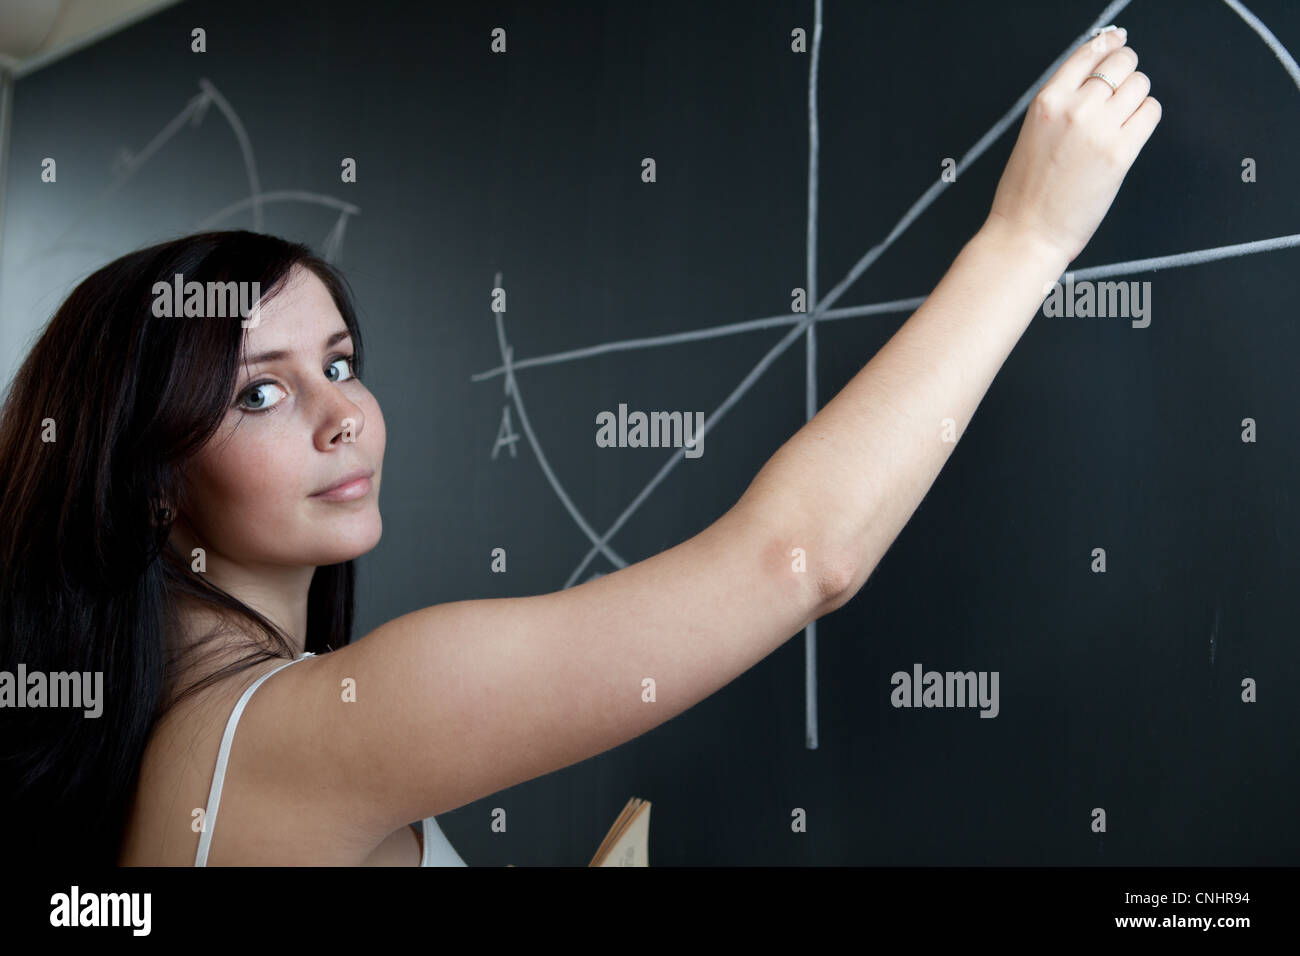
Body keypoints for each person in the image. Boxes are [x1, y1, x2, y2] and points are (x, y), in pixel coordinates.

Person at [0, 28, 1157, 865]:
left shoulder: (174, 738)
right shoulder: (313, 726)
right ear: (149, 482)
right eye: (258, 392)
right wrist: (1029, 234)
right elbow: (801, 560)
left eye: (340, 362)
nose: (342, 410)